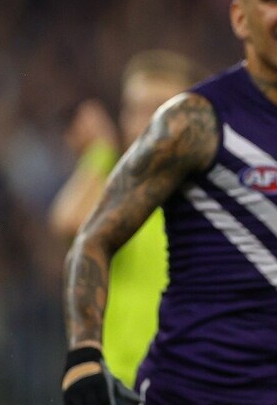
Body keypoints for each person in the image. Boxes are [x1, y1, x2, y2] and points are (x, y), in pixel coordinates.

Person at [62, 0, 277, 405]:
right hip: (189, 391)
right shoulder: (193, 121)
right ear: (240, 18)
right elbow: (92, 238)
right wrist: (84, 360)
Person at [49, 49, 202, 389]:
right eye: (135, 109)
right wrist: (100, 152)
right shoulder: (117, 195)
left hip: (190, 385)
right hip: (119, 385)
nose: (148, 122)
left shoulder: (214, 197)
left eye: (163, 109)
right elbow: (69, 222)